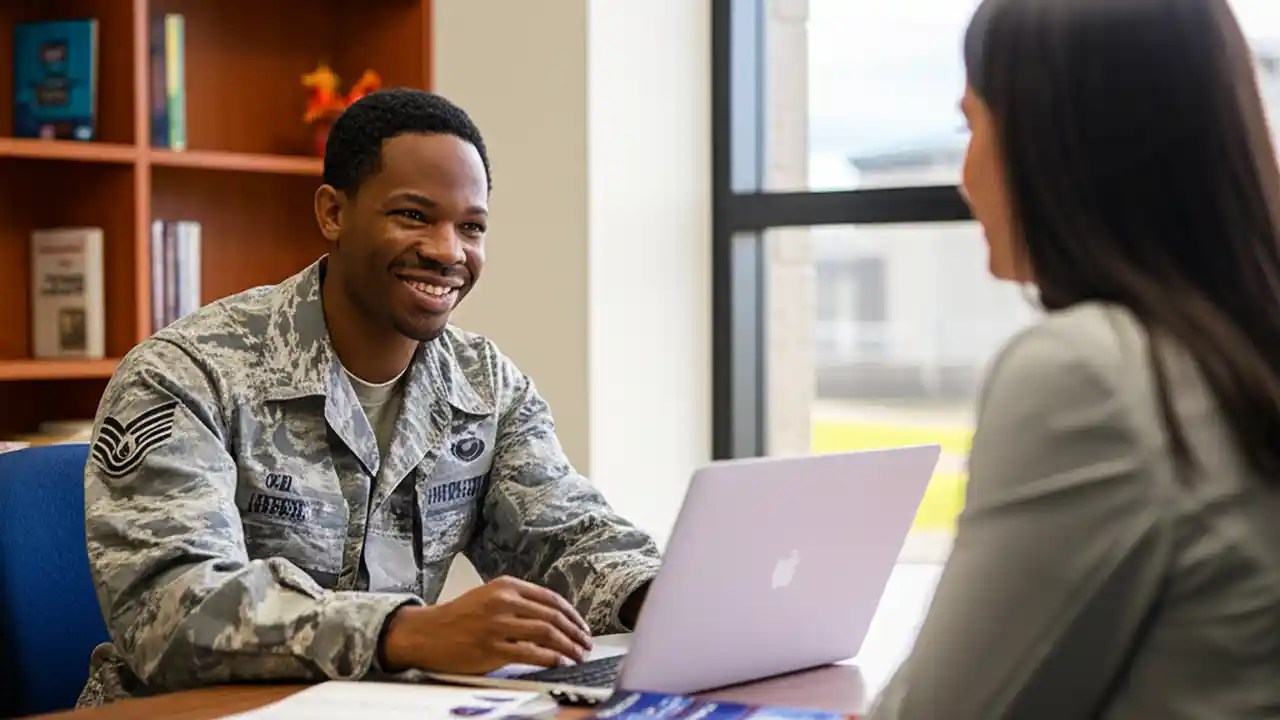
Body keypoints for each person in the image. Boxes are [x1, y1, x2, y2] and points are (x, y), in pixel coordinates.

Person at [78, 88, 661, 706]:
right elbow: (170, 609)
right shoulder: (187, 373)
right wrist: (399, 633)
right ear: (333, 213)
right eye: (413, 216)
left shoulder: (487, 385)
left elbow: (564, 534)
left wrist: (663, 600)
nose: (447, 251)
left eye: (471, 227)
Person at [870, 0, 1280, 717]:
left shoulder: (1091, 377)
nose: (966, 175)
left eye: (973, 124)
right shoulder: (1236, 351)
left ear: (1054, 138)